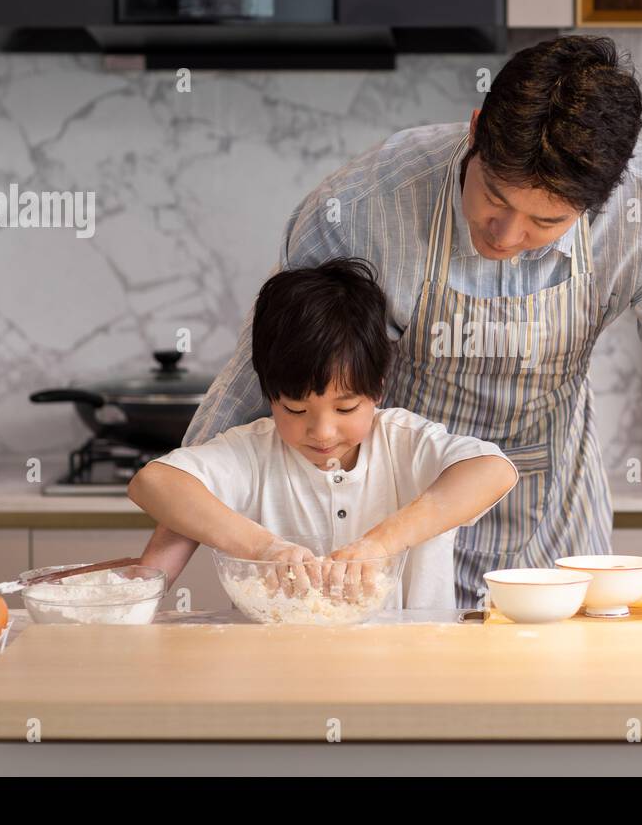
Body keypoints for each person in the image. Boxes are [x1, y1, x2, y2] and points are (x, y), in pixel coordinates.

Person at [144, 34, 642, 613]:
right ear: (475, 126)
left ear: (602, 199)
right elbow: (262, 382)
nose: (506, 236)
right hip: (386, 548)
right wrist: (151, 576)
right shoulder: (361, 206)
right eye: (494, 199)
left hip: (559, 542)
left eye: (546, 221)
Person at [129, 259, 517, 610]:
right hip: (274, 675)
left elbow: (493, 471)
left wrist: (381, 543)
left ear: (377, 389)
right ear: (269, 395)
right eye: (295, 410)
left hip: (411, 673)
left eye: (345, 408)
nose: (322, 432)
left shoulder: (404, 442)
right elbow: (152, 482)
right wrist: (264, 548)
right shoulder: (252, 453)